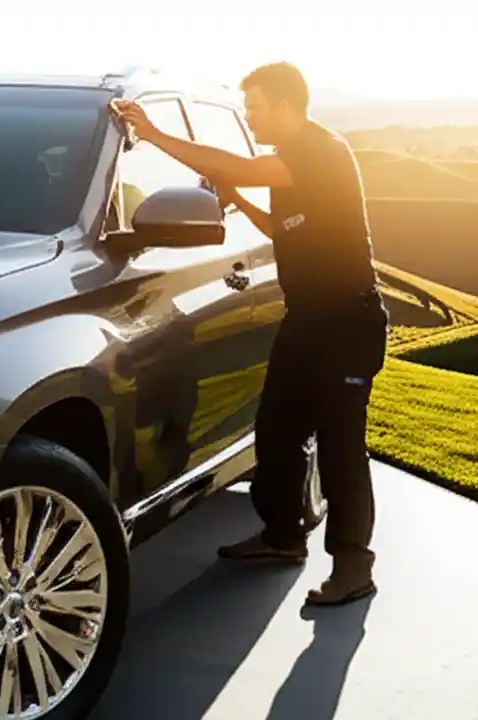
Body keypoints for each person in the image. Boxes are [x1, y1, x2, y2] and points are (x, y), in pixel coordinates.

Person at [110, 61, 388, 607]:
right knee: (277, 430)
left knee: (340, 444)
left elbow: (232, 163)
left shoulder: (319, 153)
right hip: (307, 321)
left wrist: (158, 134)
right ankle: (282, 537)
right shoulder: (294, 165)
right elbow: (287, 230)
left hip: (348, 324)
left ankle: (354, 567)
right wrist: (240, 204)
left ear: (285, 106)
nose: (250, 117)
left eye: (256, 107)